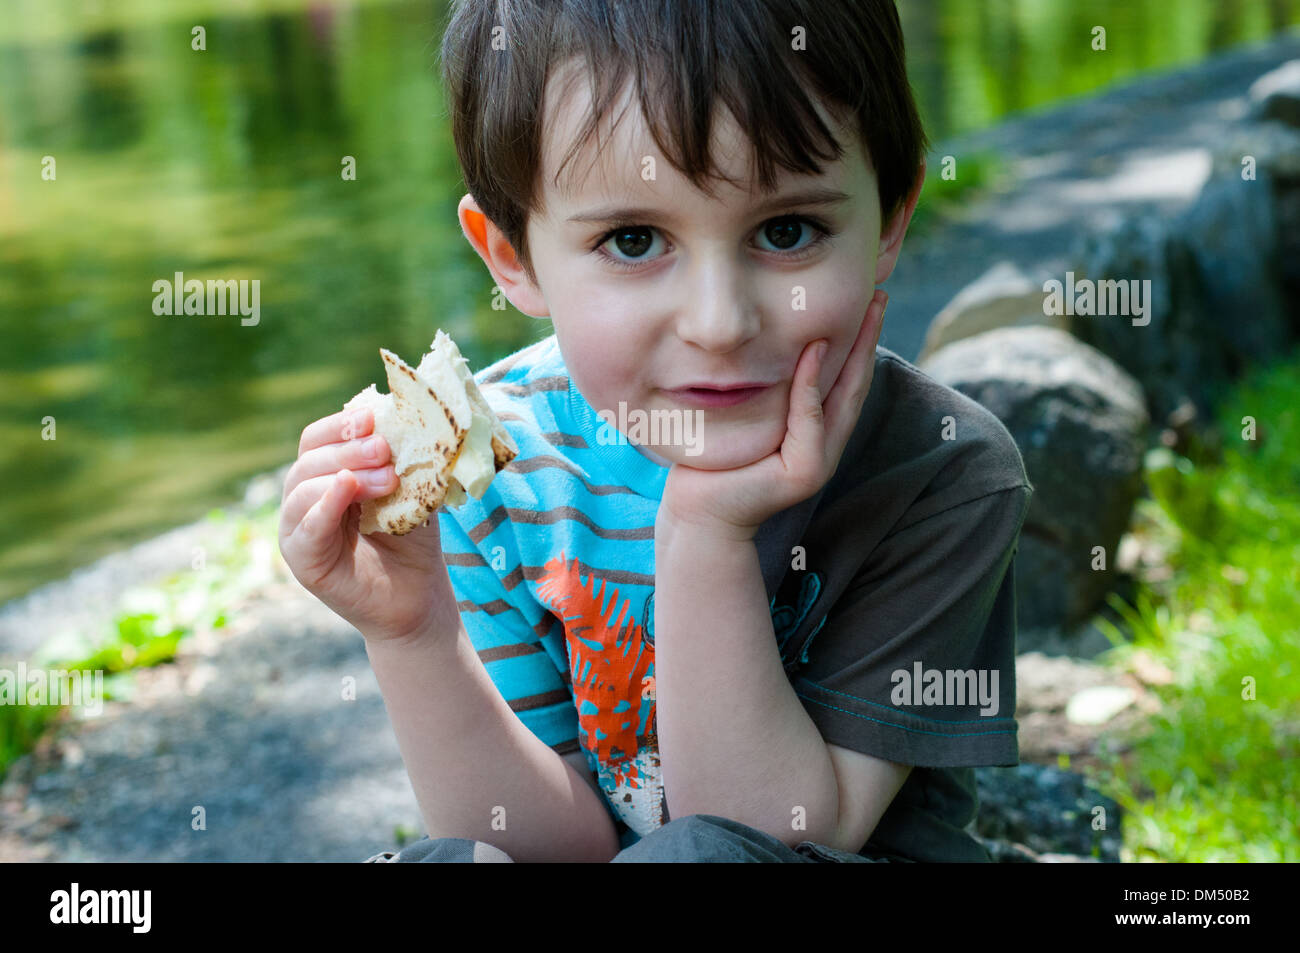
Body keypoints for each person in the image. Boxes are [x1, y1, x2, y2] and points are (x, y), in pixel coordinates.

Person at [280, 0, 1033, 863]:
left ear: (891, 219)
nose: (718, 322)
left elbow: (769, 839)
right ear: (511, 256)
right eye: (634, 240)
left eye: (787, 231)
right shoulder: (501, 472)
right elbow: (544, 849)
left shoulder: (938, 473)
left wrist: (704, 530)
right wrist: (413, 632)